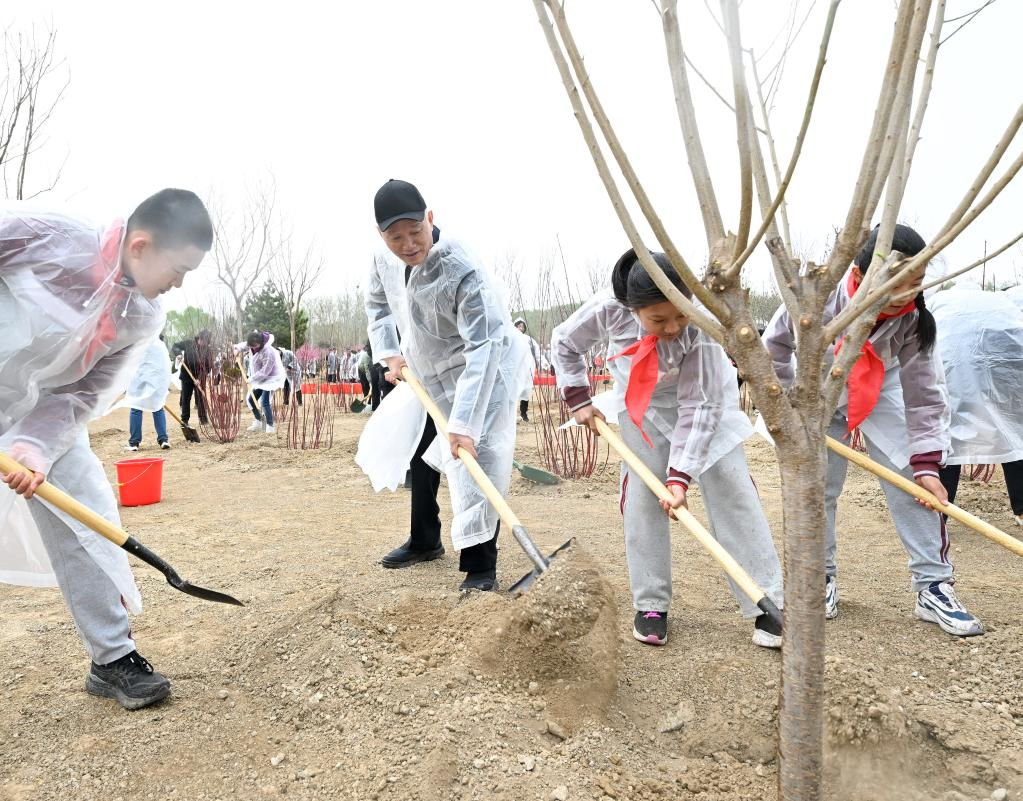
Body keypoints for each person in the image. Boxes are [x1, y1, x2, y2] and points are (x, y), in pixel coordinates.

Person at [0, 188, 213, 709]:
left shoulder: (142, 316)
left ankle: (113, 657)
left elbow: (84, 393)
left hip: (41, 413)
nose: (178, 285)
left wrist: (35, 446)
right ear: (141, 246)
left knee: (87, 522)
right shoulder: (47, 235)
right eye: (178, 269)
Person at [552, 248, 784, 648]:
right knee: (643, 499)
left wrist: (680, 476)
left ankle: (767, 603)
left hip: (707, 406)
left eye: (680, 314)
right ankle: (651, 604)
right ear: (632, 309)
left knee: (734, 494)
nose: (674, 326)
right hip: (641, 408)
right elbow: (565, 342)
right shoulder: (608, 309)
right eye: (658, 320)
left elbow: (700, 404)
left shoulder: (702, 323)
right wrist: (579, 398)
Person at [764, 223, 983, 637]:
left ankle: (933, 585)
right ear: (862, 277)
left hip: (883, 387)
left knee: (914, 486)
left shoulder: (914, 320)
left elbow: (924, 395)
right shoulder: (820, 296)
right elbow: (773, 347)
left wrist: (927, 464)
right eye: (901, 285)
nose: (911, 294)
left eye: (918, 283)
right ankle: (820, 579)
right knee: (818, 487)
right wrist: (788, 406)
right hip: (816, 393)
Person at [364, 179, 529, 592]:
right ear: (381, 236)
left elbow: (485, 346)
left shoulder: (461, 267)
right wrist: (390, 353)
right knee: (423, 452)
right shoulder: (383, 260)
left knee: (477, 458)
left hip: (484, 370)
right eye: (395, 237)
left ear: (430, 219)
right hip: (427, 370)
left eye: (415, 232)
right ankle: (425, 539)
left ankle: (480, 569)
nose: (408, 245)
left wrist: (466, 423)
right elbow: (378, 304)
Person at [929, 280, 1023, 527]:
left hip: (952, 374)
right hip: (1002, 375)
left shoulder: (940, 301)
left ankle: (939, 513)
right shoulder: (1000, 302)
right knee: (1012, 436)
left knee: (947, 441)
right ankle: (1022, 509)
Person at [125, 334, 173, 451]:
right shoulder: (159, 344)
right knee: (158, 407)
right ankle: (163, 439)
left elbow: (128, 361)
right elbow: (166, 366)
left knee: (136, 409)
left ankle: (134, 443)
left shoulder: (137, 341)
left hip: (138, 379)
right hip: (155, 380)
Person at [235, 331, 285, 433]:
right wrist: (237, 350)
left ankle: (270, 426)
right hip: (261, 378)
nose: (253, 348)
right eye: (251, 346)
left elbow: (265, 371)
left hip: (271, 377)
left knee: (264, 402)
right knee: (250, 399)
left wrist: (251, 379)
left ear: (261, 342)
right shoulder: (253, 344)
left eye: (255, 346)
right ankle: (258, 421)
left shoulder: (268, 352)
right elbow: (244, 346)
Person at [172, 329, 212, 427]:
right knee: (186, 398)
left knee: (201, 399)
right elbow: (175, 346)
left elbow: (208, 366)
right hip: (186, 376)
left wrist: (200, 378)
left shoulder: (207, 350)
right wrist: (179, 354)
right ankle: (184, 420)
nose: (204, 344)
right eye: (204, 341)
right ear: (200, 338)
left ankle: (203, 419)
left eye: (207, 342)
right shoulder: (189, 344)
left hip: (199, 377)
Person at [513, 317, 541, 423]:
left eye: (522, 326)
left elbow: (537, 353)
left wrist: (542, 364)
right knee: (513, 392)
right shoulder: (511, 338)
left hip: (527, 369)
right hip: (515, 370)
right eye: (518, 326)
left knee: (526, 391)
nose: (520, 328)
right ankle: (512, 416)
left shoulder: (529, 339)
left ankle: (523, 414)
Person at [278, 343, 303, 407]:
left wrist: (289, 367)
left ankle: (300, 402)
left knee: (297, 386)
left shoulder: (288, 352)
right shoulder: (277, 358)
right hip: (287, 373)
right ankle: (286, 402)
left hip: (295, 371)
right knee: (286, 385)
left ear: (280, 351)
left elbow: (295, 360)